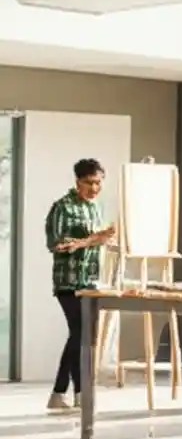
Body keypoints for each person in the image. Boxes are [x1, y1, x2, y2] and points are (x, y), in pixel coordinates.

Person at [45, 158, 116, 411]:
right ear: (78, 182)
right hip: (69, 282)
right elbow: (58, 244)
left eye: (98, 183)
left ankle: (71, 394)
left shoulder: (95, 208)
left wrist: (107, 241)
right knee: (81, 334)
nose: (94, 188)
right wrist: (94, 239)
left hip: (91, 281)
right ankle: (68, 392)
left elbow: (94, 241)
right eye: (89, 183)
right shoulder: (63, 207)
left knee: (83, 335)